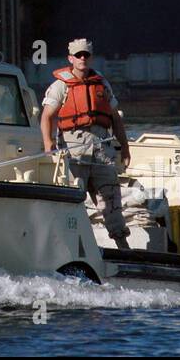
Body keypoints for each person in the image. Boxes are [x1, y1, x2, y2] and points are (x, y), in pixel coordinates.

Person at [40, 38, 131, 247]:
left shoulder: (102, 84)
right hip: (74, 151)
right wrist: (48, 144)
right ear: (70, 58)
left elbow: (115, 118)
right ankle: (69, 247)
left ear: (90, 57)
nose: (82, 58)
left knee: (111, 197)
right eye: (78, 55)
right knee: (72, 198)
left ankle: (122, 245)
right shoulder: (60, 85)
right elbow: (46, 116)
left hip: (101, 150)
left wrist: (125, 148)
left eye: (86, 55)